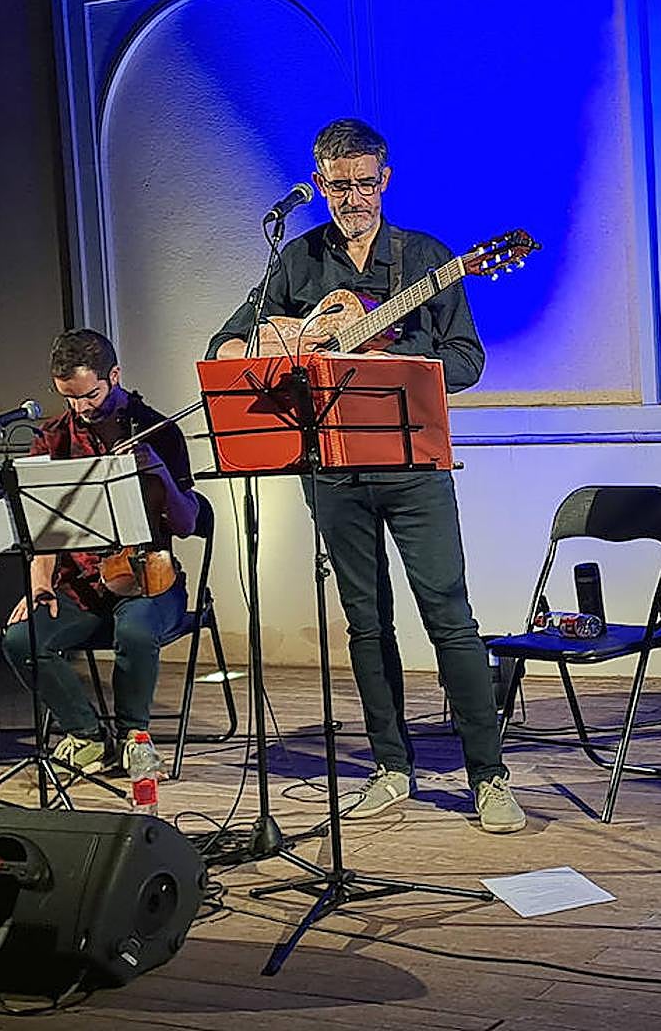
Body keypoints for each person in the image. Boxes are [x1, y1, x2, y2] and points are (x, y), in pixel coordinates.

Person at [205, 117, 524, 833]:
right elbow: (225, 346)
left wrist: (397, 365)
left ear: (386, 179)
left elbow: (467, 360)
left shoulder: (429, 258)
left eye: (365, 183)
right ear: (319, 185)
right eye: (339, 185)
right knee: (365, 622)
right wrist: (293, 336)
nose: (353, 197)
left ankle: (488, 776)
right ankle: (391, 766)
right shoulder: (296, 261)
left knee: (449, 616)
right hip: (331, 469)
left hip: (412, 465)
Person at [1, 329, 200, 778]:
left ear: (114, 375)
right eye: (69, 399)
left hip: (148, 581)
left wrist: (159, 473)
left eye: (89, 395)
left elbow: (189, 523)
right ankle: (87, 735)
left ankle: (135, 738)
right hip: (81, 586)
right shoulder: (52, 439)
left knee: (136, 630)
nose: (81, 409)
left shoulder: (159, 431)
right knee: (20, 640)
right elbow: (45, 527)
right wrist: (39, 584)